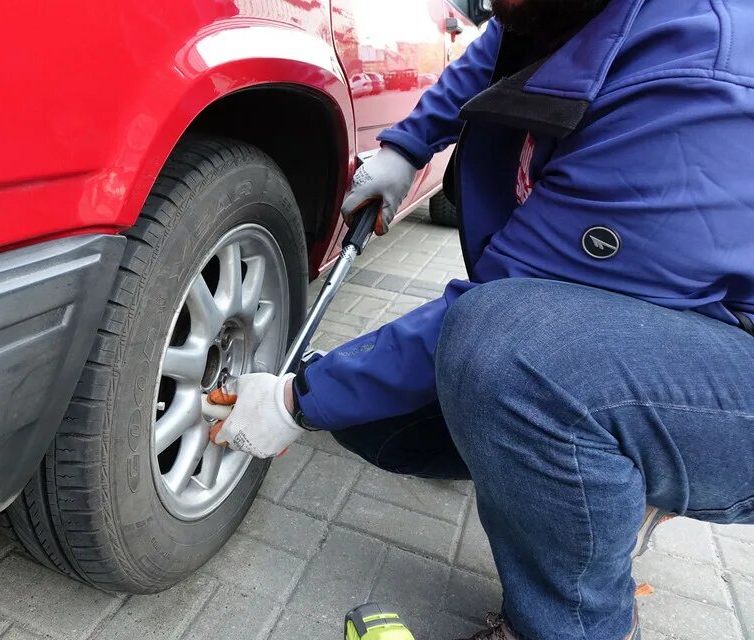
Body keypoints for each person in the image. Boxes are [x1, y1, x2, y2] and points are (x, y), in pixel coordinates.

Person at [207, 0, 754, 638]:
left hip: (730, 369)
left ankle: (572, 621)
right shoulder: (557, 14)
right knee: (377, 419)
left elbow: (521, 307)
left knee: (506, 358)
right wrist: (407, 148)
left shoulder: (693, 75)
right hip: (643, 328)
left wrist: (296, 399)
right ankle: (585, 479)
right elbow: (491, 56)